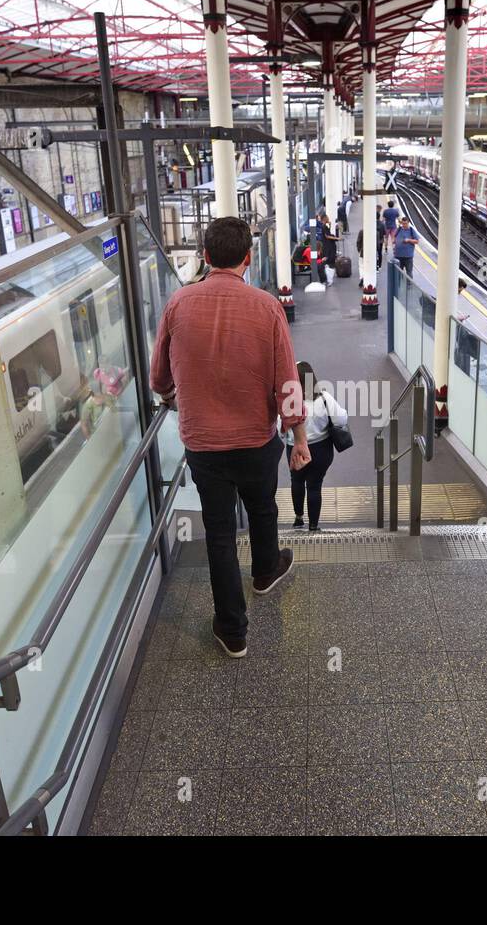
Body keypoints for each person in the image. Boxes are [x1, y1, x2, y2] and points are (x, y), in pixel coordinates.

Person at [150, 216, 310, 658]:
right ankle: (264, 571)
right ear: (248, 257)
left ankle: (232, 630)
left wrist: (170, 396)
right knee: (262, 507)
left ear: (205, 256)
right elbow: (287, 381)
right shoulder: (266, 307)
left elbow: (158, 377)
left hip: (202, 444)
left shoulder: (178, 304)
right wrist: (298, 438)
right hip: (257, 439)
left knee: (219, 532)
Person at [281, 361, 349, 532]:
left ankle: (298, 519)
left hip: (295, 448)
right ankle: (313, 525)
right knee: (314, 485)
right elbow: (342, 419)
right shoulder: (324, 399)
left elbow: (279, 428)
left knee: (296, 481)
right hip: (321, 450)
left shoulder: (288, 402)